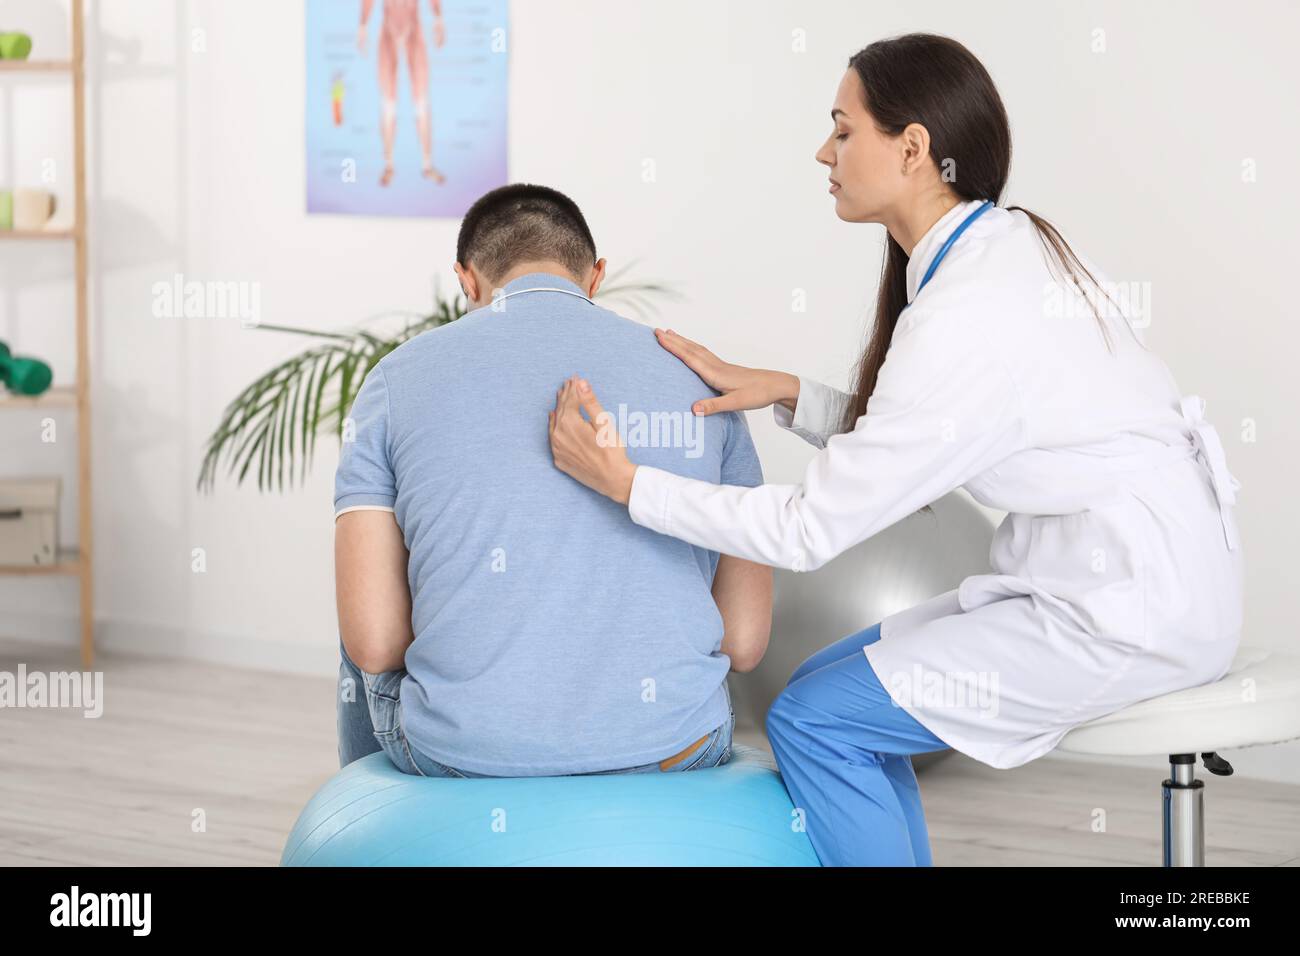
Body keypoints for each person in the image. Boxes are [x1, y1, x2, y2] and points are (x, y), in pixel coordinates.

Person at [548, 33, 1243, 865]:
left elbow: (808, 531)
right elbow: (937, 432)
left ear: (913, 148)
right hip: (1129, 574)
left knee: (814, 721)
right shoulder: (1007, 246)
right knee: (819, 695)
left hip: (1126, 611)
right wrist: (790, 392)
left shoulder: (966, 312)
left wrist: (628, 484)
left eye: (842, 130)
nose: (823, 152)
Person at [334, 183, 772, 779]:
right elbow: (744, 642)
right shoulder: (703, 378)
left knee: (363, 624)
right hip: (673, 746)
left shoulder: (394, 381)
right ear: (595, 278)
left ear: (466, 282)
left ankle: (368, 830)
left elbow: (376, 643)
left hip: (465, 755)